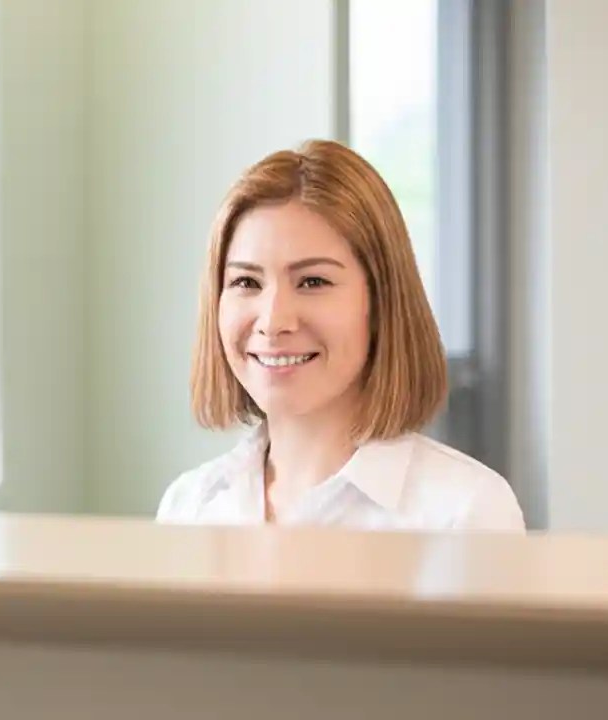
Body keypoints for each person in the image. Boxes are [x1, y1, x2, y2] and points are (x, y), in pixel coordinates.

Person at [157, 139, 525, 532]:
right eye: (246, 281)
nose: (273, 320)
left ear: (382, 302)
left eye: (313, 281)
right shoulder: (190, 506)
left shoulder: (465, 511)